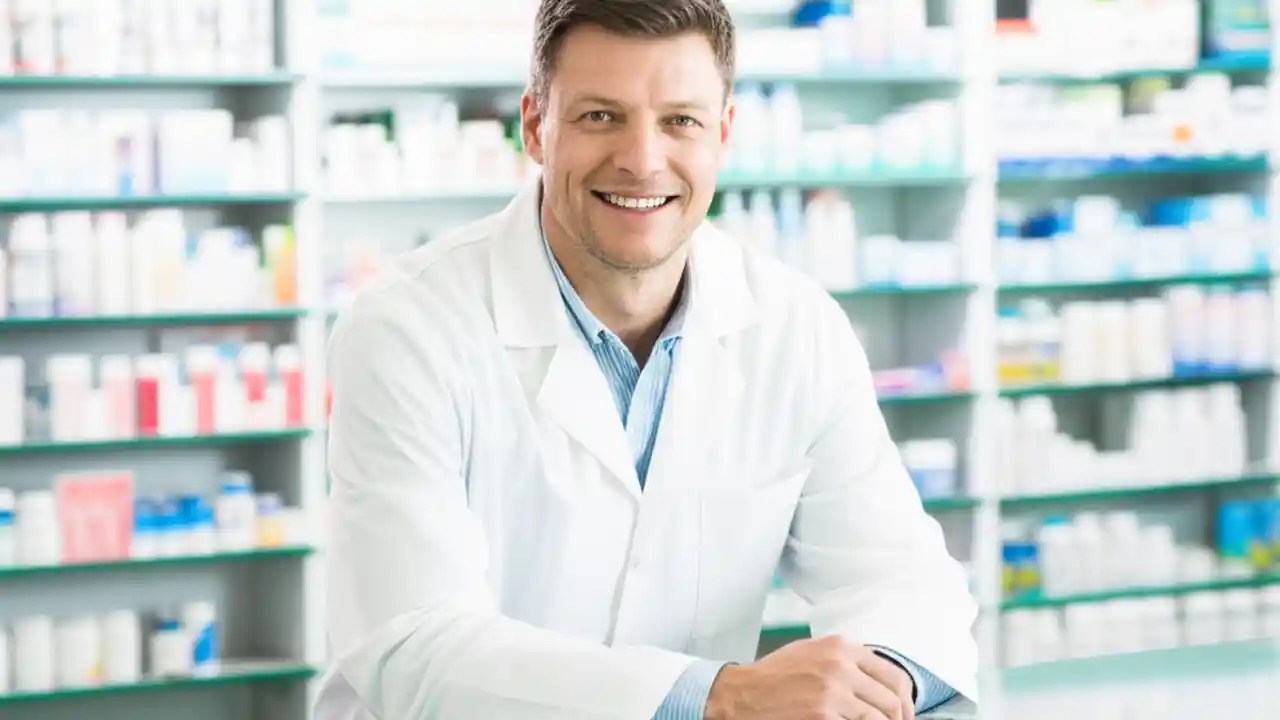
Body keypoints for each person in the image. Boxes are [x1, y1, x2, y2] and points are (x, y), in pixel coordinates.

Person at [316, 0, 977, 718]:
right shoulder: (407, 329)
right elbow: (417, 650)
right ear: (536, 126)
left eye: (680, 121)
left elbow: (904, 583)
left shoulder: (796, 328)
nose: (641, 159)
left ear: (723, 132)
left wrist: (877, 684)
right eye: (601, 115)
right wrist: (721, 696)